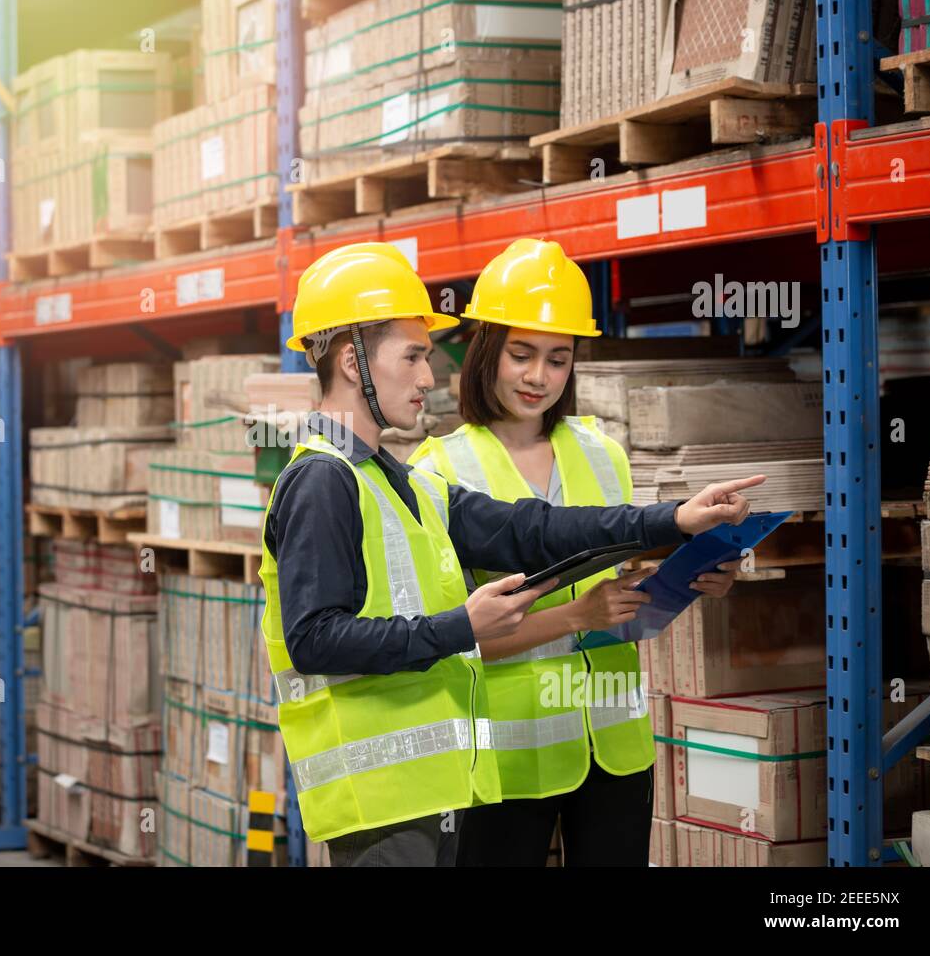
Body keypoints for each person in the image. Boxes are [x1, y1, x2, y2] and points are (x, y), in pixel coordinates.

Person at [259, 241, 763, 867]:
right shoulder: (322, 480)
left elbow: (533, 529)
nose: (427, 375)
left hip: (430, 784)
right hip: (381, 796)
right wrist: (462, 627)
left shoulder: (403, 481)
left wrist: (676, 520)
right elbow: (313, 638)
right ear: (350, 358)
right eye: (413, 355)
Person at [409, 238, 742, 866]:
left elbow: (619, 590)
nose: (539, 377)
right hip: (507, 757)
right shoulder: (440, 469)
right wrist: (575, 617)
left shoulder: (601, 453)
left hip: (614, 743)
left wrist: (686, 579)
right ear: (486, 350)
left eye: (558, 359)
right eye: (522, 354)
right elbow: (450, 640)